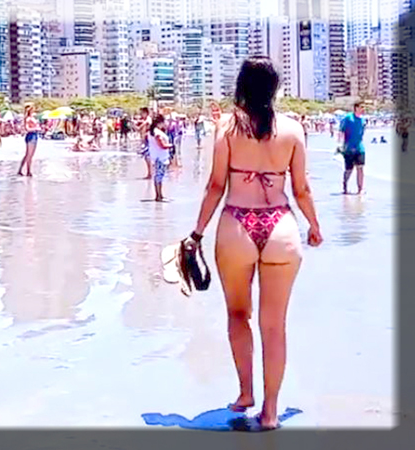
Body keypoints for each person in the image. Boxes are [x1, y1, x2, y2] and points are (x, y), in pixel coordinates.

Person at [185, 57, 322, 431]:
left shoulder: (226, 128)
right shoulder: (293, 129)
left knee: (237, 315)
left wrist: (196, 233)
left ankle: (246, 393)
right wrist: (314, 224)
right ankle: (272, 411)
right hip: (280, 225)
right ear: (276, 88)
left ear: (241, 86)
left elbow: (216, 186)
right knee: (274, 325)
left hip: (236, 226)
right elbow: (301, 188)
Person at [338, 101, 367, 195]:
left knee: (360, 168)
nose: (363, 109)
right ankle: (345, 186)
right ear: (356, 108)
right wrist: (340, 145)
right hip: (348, 148)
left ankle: (360, 189)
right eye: (362, 107)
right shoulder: (348, 118)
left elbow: (361, 133)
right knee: (349, 170)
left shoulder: (363, 120)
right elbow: (341, 131)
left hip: (360, 148)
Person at [147, 114, 173, 202]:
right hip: (160, 157)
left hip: (156, 156)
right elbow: (162, 145)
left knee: (158, 176)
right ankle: (158, 196)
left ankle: (159, 195)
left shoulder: (153, 131)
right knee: (159, 177)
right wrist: (171, 146)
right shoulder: (157, 133)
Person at [18, 103, 40, 177]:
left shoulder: (32, 117)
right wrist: (35, 128)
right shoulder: (27, 119)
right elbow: (27, 128)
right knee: (29, 155)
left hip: (35, 135)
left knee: (29, 155)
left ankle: (21, 170)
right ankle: (28, 171)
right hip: (31, 135)